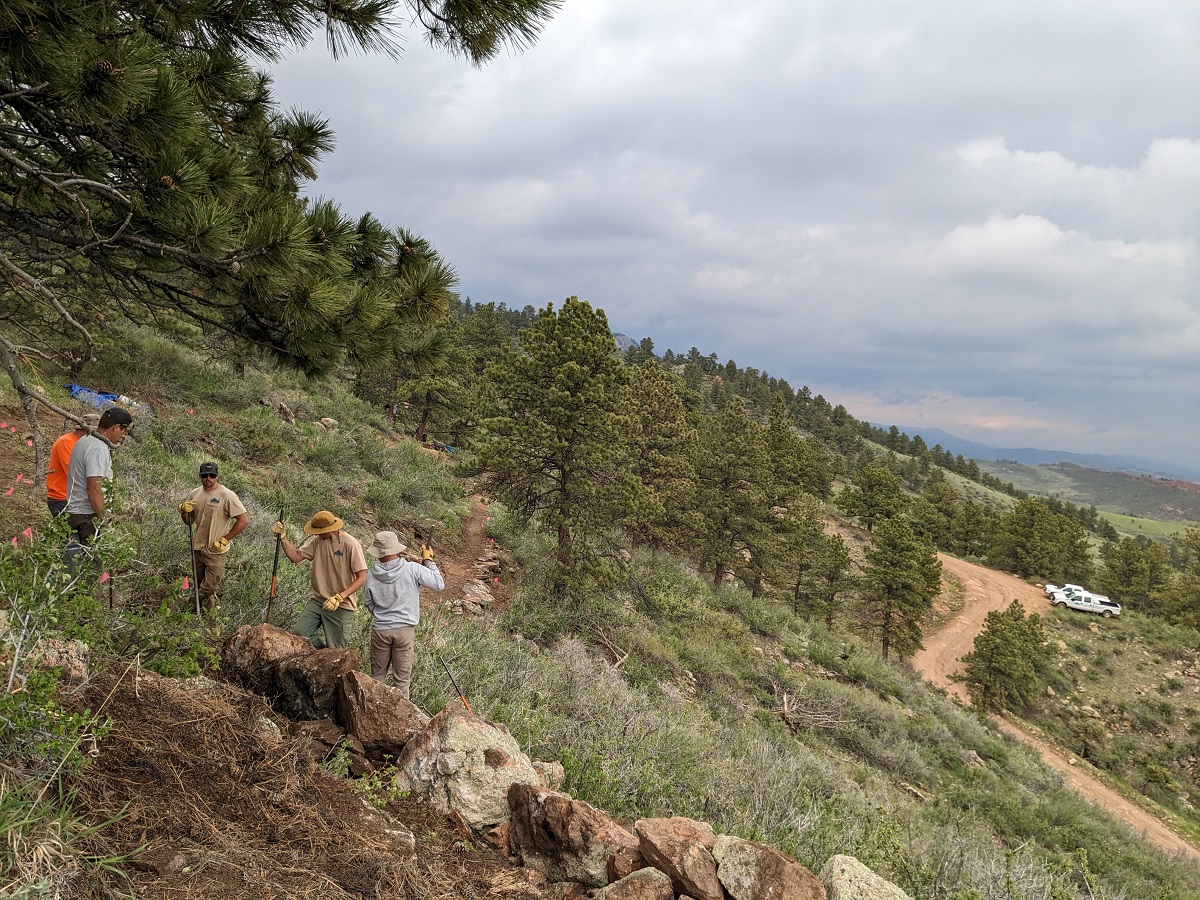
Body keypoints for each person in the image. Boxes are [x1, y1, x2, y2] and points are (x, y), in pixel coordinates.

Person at [363, 531, 444, 698]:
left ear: (378, 552)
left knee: (377, 677)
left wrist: (381, 615)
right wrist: (428, 561)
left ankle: (371, 708)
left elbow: (369, 603)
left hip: (380, 630)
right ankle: (402, 713)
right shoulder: (412, 569)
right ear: (396, 549)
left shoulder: (370, 575)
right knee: (401, 682)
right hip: (404, 631)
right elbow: (438, 584)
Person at [274, 510, 368, 649]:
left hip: (342, 605)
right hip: (318, 600)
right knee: (300, 633)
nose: (316, 534)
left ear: (328, 529)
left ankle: (328, 657)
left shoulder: (351, 544)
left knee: (336, 650)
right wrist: (283, 537)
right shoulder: (318, 542)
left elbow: (362, 577)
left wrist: (340, 597)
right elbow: (295, 557)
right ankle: (322, 655)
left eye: (318, 531)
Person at [178, 462, 248, 614]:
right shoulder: (195, 494)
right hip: (198, 547)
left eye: (212, 475)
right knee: (199, 585)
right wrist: (183, 511)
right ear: (200, 476)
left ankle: (187, 608)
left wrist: (226, 539)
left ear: (217, 476)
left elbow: (243, 520)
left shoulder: (227, 495)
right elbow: (189, 522)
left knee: (209, 587)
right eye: (205, 475)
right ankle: (208, 619)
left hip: (216, 550)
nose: (208, 478)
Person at [64, 406, 133, 547]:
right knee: (92, 558)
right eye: (124, 431)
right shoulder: (98, 448)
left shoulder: (85, 440)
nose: (123, 436)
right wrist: (105, 520)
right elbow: (94, 489)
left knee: (77, 556)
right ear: (116, 427)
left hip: (77, 512)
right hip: (88, 516)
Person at [45, 413, 99, 517]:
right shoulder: (66, 442)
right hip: (62, 498)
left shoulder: (81, 444)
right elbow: (74, 473)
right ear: (88, 431)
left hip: (73, 498)